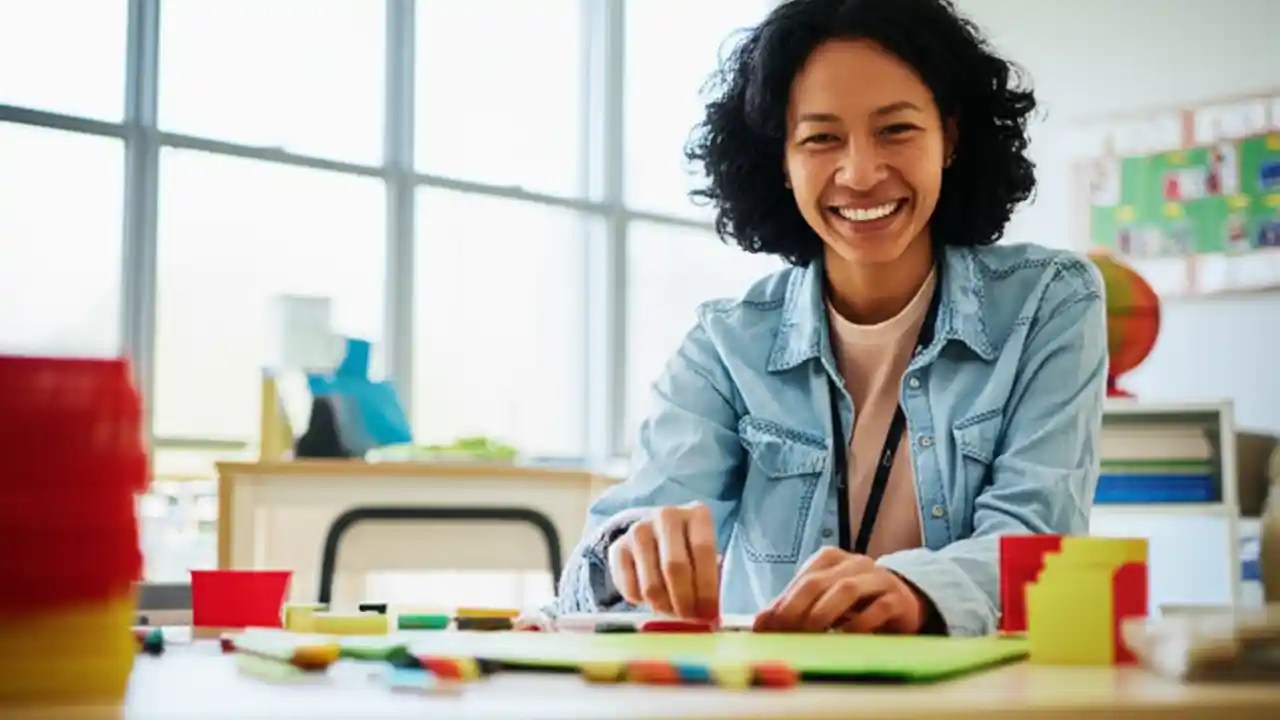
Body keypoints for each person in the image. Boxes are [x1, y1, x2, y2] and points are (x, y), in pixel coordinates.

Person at [554, 0, 1107, 636]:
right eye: (821, 138)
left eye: (896, 129)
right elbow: (600, 570)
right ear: (782, 165)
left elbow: (1038, 540)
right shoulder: (726, 344)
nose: (861, 172)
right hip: (775, 697)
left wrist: (915, 590)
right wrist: (630, 554)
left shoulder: (1051, 301)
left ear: (950, 138)